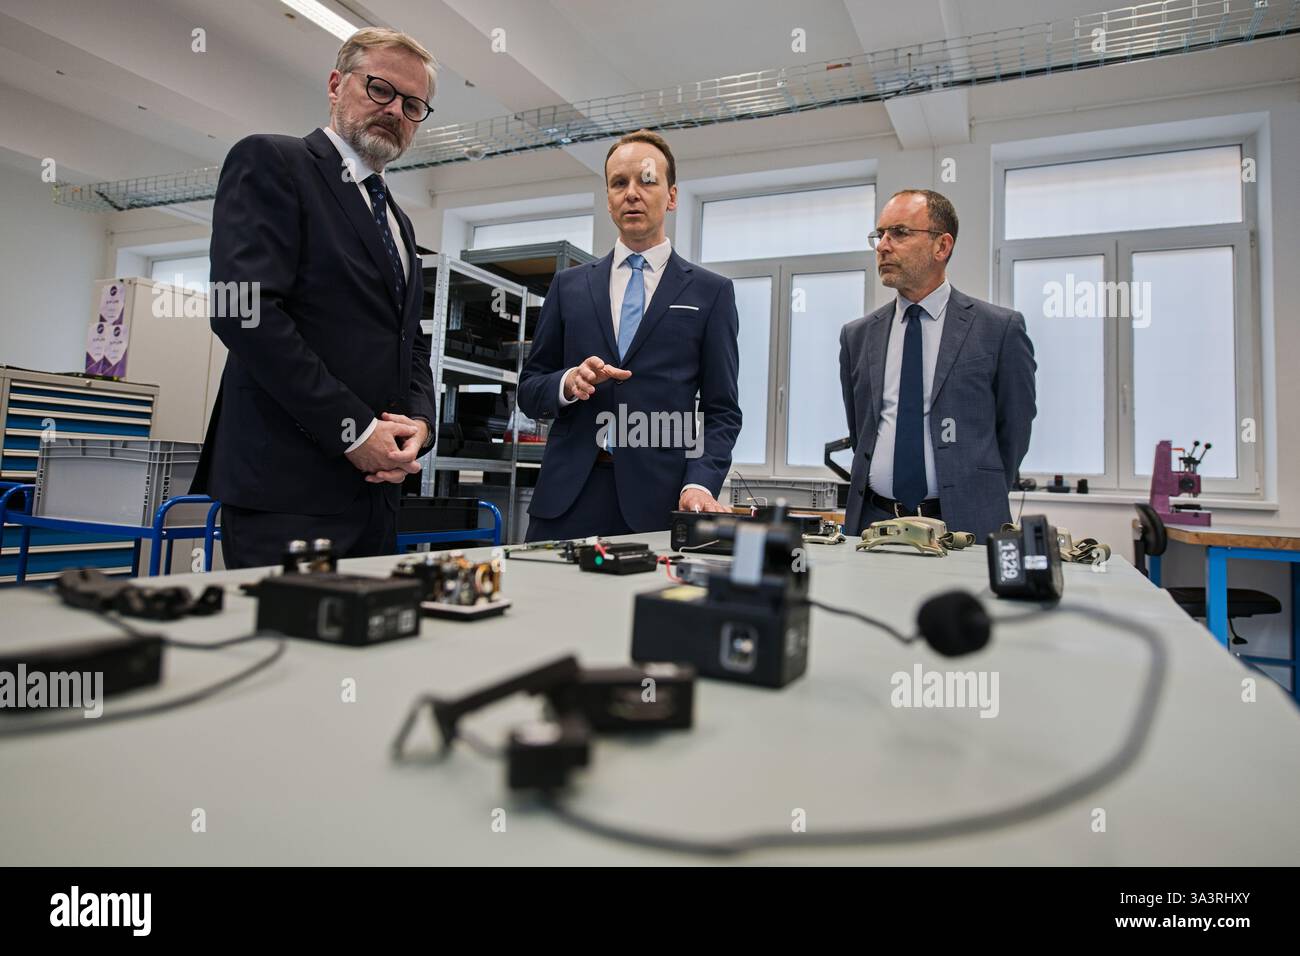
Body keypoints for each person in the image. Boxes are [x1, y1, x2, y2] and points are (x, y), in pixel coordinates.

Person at [193, 28, 440, 569]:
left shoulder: (396, 220)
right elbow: (244, 312)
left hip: (377, 493)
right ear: (336, 84)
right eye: (380, 89)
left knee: (364, 652)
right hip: (288, 492)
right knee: (283, 650)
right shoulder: (273, 162)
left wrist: (419, 428)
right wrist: (354, 431)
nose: (395, 109)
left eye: (413, 104)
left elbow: (410, 343)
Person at [517, 130, 741, 540]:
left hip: (659, 502)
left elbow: (722, 410)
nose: (632, 193)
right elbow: (530, 389)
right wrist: (568, 383)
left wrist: (700, 482)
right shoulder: (569, 287)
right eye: (619, 183)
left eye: (647, 180)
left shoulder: (711, 293)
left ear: (672, 196)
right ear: (608, 199)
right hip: (566, 500)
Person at [838, 188, 1036, 540]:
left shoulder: (998, 329)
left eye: (898, 233)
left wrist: (981, 489)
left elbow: (1014, 428)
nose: (883, 246)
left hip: (966, 525)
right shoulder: (858, 336)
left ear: (942, 246)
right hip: (874, 524)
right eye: (879, 234)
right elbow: (861, 430)